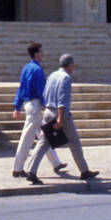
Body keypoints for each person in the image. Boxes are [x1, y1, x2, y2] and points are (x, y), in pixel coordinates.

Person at [25, 53, 98, 184]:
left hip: (48, 111)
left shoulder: (52, 75)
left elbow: (45, 94)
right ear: (70, 65)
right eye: (73, 65)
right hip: (59, 113)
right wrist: (60, 119)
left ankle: (31, 171)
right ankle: (84, 171)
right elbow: (62, 100)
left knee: (44, 142)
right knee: (74, 141)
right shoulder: (66, 78)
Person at [11, 41, 67, 179]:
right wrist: (48, 104)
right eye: (41, 52)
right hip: (35, 105)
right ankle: (17, 168)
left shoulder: (26, 68)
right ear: (36, 54)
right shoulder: (37, 70)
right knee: (27, 137)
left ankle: (56, 163)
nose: (43, 54)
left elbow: (20, 88)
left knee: (44, 135)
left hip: (28, 105)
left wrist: (17, 106)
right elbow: (41, 90)